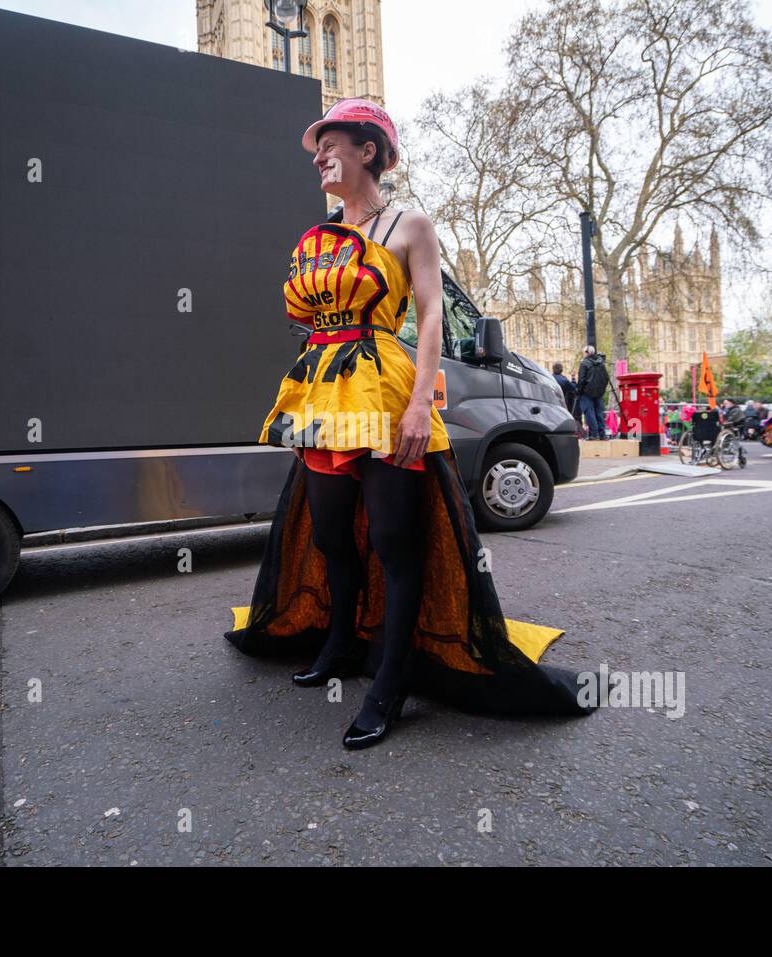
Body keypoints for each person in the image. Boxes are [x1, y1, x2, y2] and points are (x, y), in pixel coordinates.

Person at [223, 97, 594, 750]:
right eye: (316, 149)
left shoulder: (410, 225)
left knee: (396, 542)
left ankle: (390, 682)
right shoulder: (320, 237)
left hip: (389, 389)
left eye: (329, 144)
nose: (318, 156)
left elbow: (428, 317)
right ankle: (340, 642)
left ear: (368, 151)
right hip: (326, 392)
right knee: (334, 536)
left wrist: (423, 402)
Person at [577, 345, 608, 439]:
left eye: (583, 353)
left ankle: (594, 434)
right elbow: (606, 378)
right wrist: (602, 390)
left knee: (589, 413)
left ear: (586, 353)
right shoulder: (601, 363)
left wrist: (579, 390)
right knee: (599, 413)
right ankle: (602, 434)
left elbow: (581, 380)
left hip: (587, 393)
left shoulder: (584, 363)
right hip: (599, 393)